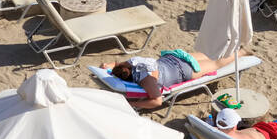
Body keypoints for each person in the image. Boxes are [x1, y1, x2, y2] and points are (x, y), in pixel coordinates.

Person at [101, 50, 238, 110]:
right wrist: (107, 66)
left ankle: (242, 53)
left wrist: (134, 104)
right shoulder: (133, 62)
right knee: (211, 55)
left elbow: (157, 101)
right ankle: (237, 49)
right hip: (173, 57)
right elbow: (117, 64)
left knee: (216, 64)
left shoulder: (146, 80)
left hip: (184, 70)